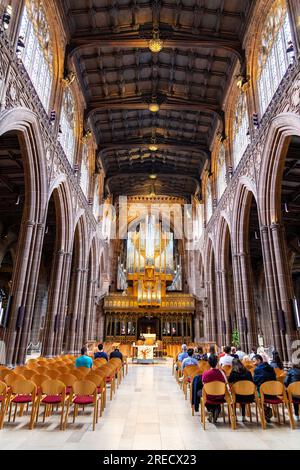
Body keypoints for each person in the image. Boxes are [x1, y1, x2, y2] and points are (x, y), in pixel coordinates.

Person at [202, 354, 226, 423]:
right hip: (220, 396)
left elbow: (203, 384)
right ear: (217, 362)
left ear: (209, 363)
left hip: (209, 396)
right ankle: (216, 410)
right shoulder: (222, 372)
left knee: (202, 394)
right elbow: (225, 383)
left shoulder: (205, 373)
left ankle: (210, 410)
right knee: (217, 402)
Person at [253, 354, 276, 423]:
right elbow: (274, 379)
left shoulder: (257, 369)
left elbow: (256, 382)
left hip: (263, 393)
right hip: (273, 392)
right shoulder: (271, 368)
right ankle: (266, 411)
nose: (253, 363)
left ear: (259, 360)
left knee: (254, 397)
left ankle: (266, 409)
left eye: (254, 361)